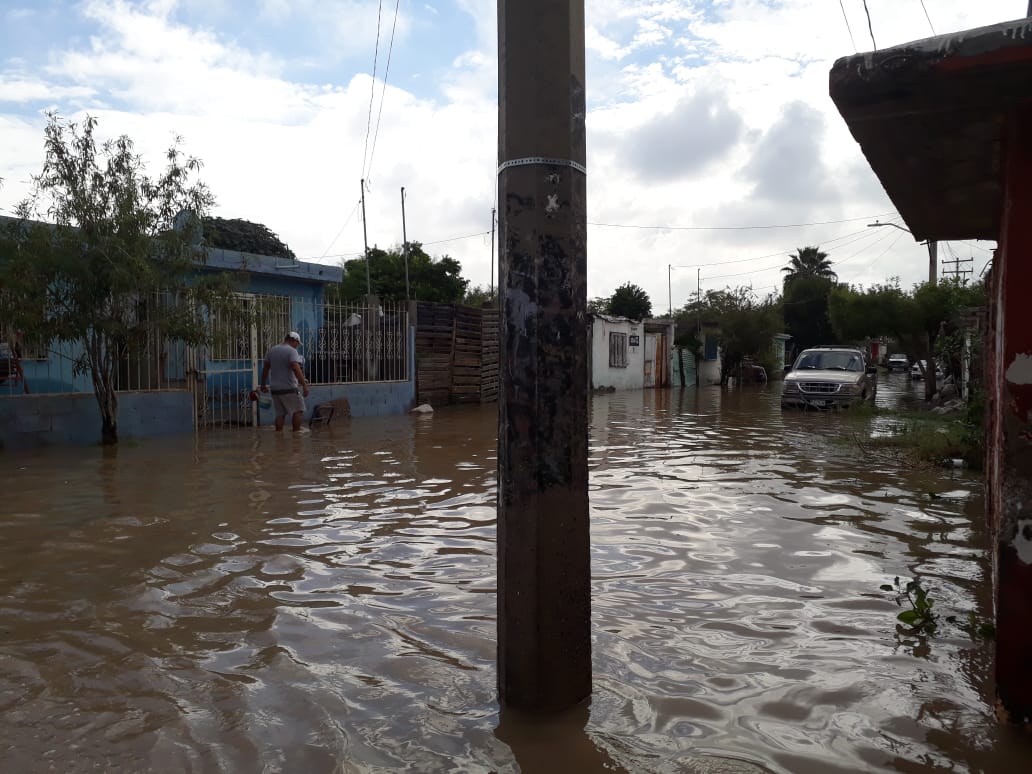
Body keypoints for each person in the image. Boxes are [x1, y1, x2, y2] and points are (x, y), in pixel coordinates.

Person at [259, 331, 310, 431]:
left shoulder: (272, 350)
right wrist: (304, 384)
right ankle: (296, 437)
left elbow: (265, 369)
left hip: (275, 389)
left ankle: (279, 436)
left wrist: (263, 384)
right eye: (297, 343)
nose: (297, 346)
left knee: (280, 414)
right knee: (298, 410)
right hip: (289, 388)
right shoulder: (292, 351)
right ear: (294, 341)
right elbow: (295, 368)